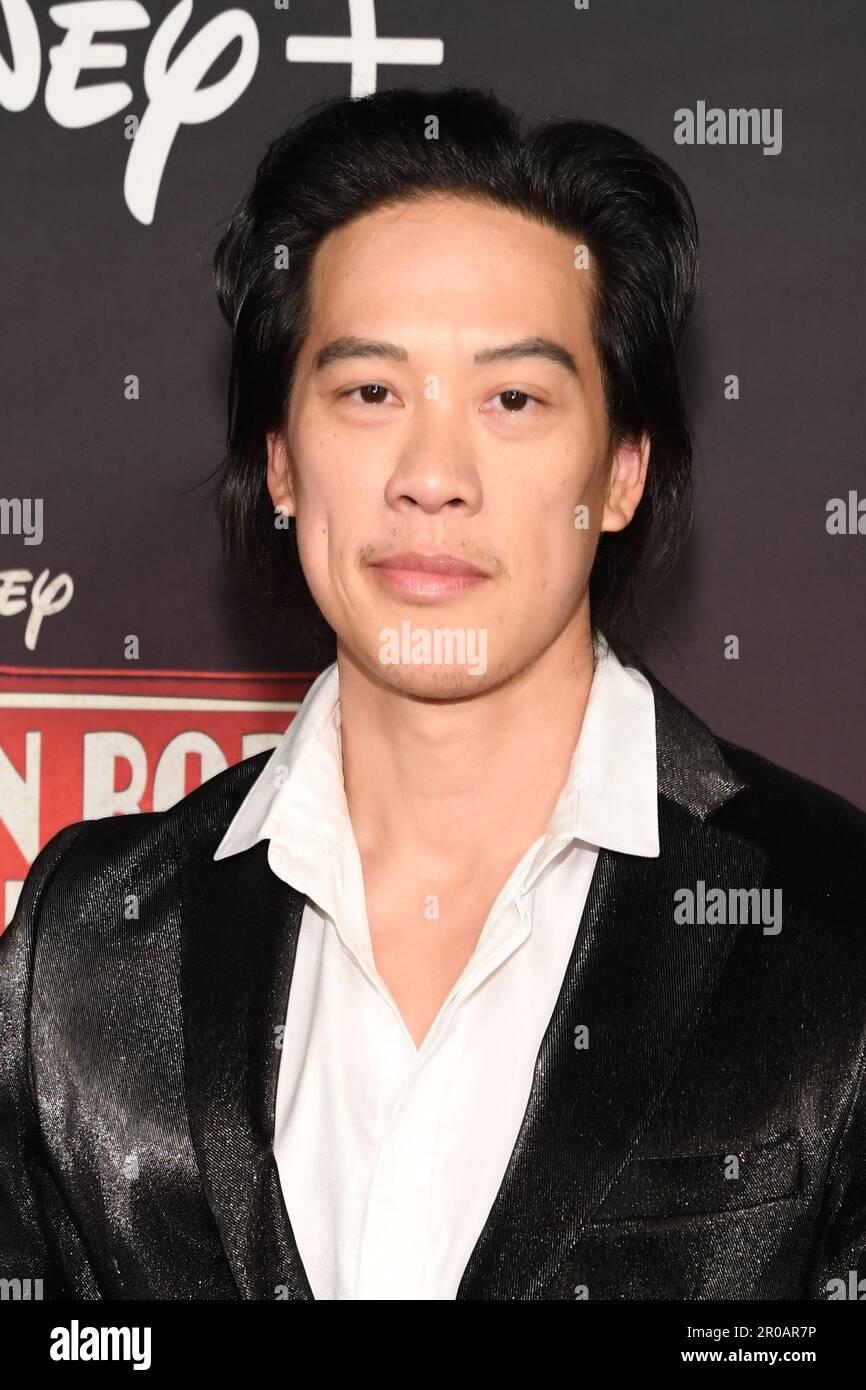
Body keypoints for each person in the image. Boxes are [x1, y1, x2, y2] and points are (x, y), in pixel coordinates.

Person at [1, 86, 864, 1302]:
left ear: (621, 472)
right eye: (368, 393)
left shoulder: (832, 922)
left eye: (512, 400)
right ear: (282, 461)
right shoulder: (85, 946)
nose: (431, 476)